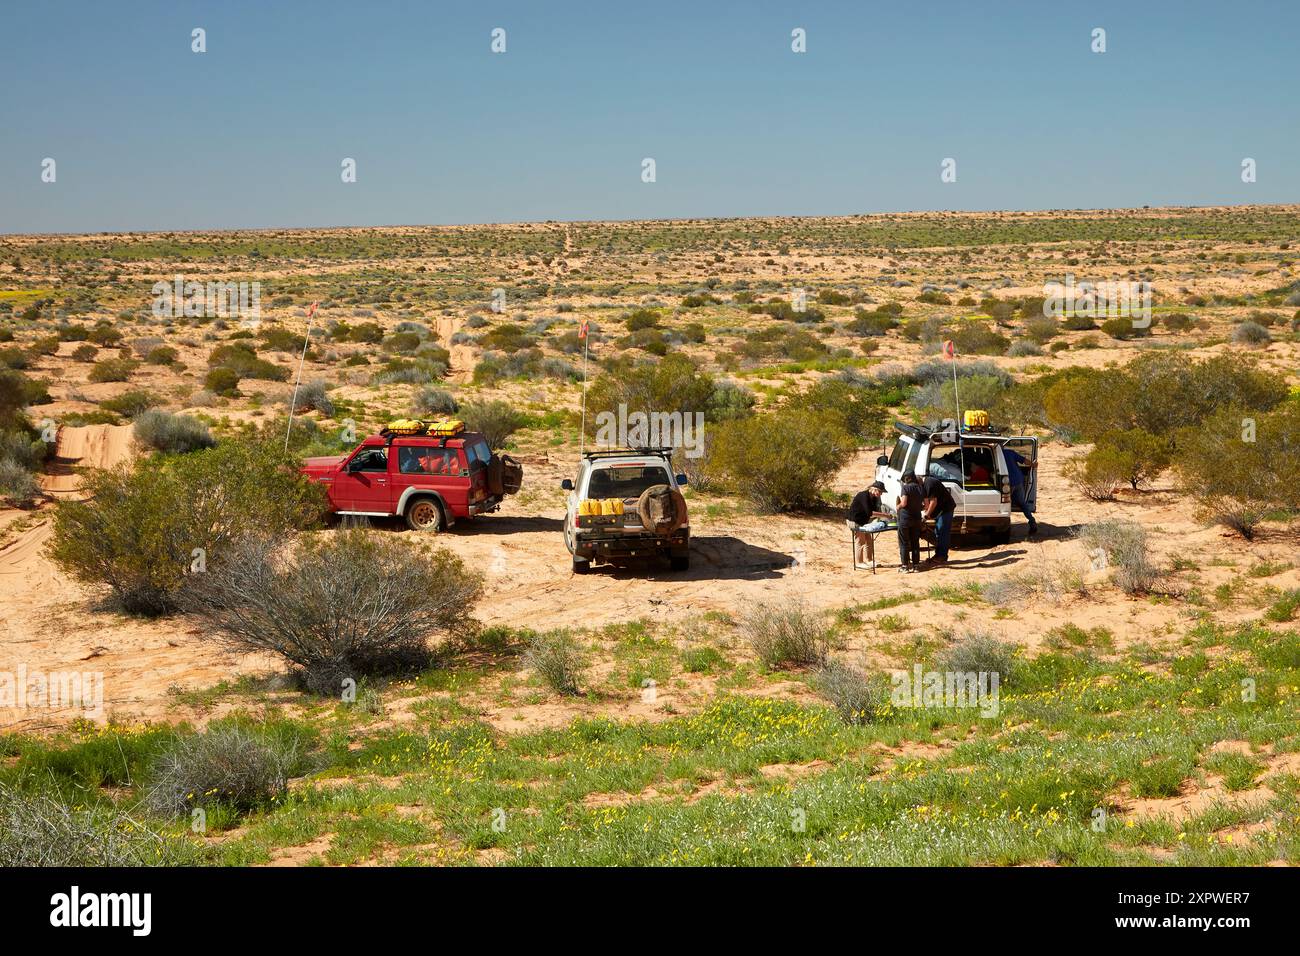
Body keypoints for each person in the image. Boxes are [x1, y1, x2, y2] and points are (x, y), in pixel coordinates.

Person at [848, 481, 889, 567]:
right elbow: (870, 513)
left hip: (863, 522)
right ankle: (859, 562)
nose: (881, 494)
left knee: (869, 540)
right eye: (880, 492)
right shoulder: (863, 495)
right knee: (860, 540)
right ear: (874, 489)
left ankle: (869, 560)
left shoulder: (873, 498)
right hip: (854, 521)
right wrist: (886, 515)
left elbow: (873, 512)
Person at [921, 471, 958, 566]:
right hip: (940, 510)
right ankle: (938, 555)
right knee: (938, 532)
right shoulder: (923, 485)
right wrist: (925, 511)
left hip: (946, 509)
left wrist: (926, 516)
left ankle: (942, 556)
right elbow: (926, 502)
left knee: (942, 531)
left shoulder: (929, 483)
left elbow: (933, 502)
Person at [1003, 447, 1038, 535]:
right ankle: (1032, 521)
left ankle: (1004, 527)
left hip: (1007, 482)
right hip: (1018, 480)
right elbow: (1023, 460)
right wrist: (1033, 465)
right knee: (1022, 503)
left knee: (1004, 504)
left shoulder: (995, 453)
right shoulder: (1009, 452)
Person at [896, 473, 924, 572]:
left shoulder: (906, 488)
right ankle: (916, 565)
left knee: (904, 543)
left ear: (907, 478)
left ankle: (905, 566)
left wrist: (898, 507)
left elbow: (904, 503)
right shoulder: (920, 488)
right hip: (916, 518)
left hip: (905, 519)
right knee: (915, 542)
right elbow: (925, 505)